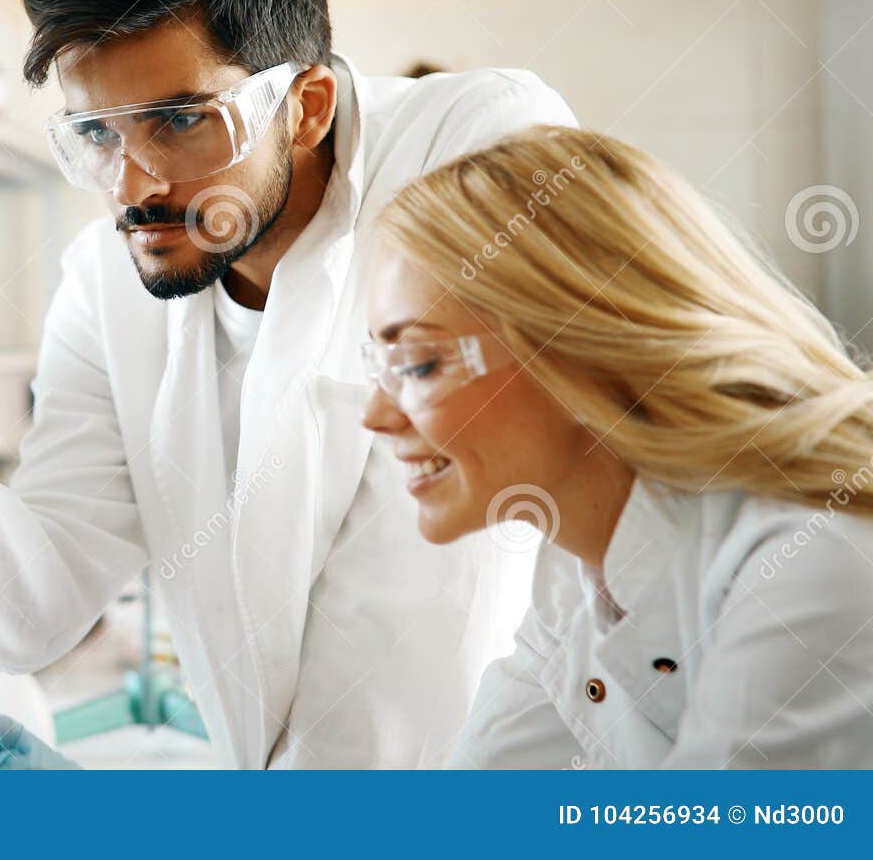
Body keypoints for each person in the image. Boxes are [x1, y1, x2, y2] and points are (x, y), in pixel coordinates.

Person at [0, 0, 574, 768]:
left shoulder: (476, 148)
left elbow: (415, 645)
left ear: (307, 107)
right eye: (97, 133)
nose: (133, 188)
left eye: (179, 120)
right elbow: (37, 599)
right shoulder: (105, 287)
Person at [360, 125, 873, 768]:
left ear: (578, 352)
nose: (375, 416)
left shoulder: (813, 562)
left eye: (420, 365)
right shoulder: (573, 570)